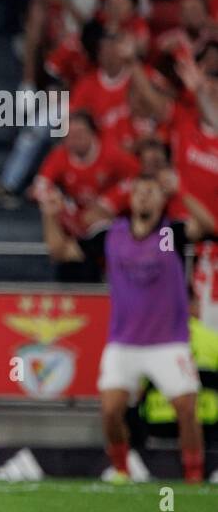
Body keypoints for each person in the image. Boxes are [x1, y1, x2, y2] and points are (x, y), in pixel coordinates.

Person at [41, 175, 209, 482]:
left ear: (161, 199)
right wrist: (50, 216)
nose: (144, 198)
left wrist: (182, 190)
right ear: (129, 199)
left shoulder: (172, 233)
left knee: (186, 408)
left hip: (168, 341)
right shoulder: (110, 236)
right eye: (139, 192)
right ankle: (121, 470)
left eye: (151, 192)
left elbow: (207, 226)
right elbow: (60, 251)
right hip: (124, 342)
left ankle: (194, 475)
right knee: (110, 410)